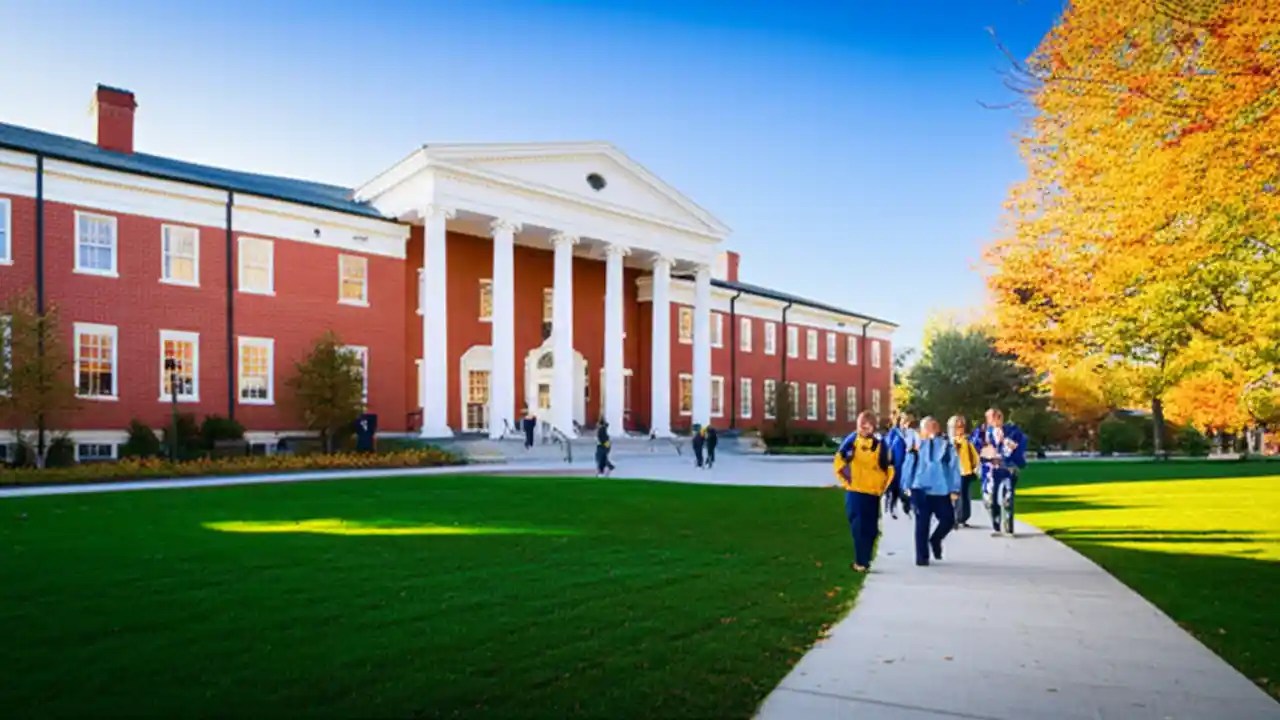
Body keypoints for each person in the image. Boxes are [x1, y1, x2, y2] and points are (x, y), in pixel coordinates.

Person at [832, 411, 895, 573]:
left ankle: (865, 559)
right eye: (861, 425)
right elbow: (839, 462)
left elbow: (889, 469)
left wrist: (882, 488)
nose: (863, 429)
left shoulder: (880, 445)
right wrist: (848, 482)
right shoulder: (851, 441)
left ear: (873, 427)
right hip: (856, 492)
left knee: (871, 529)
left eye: (867, 426)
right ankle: (861, 562)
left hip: (873, 494)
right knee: (859, 527)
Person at [901, 416, 961, 566]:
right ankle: (922, 557)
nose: (931, 429)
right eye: (928, 426)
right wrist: (905, 487)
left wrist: (955, 488)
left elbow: (954, 467)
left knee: (948, 520)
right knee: (922, 523)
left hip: (940, 490)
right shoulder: (916, 446)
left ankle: (935, 539)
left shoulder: (946, 446)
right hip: (920, 489)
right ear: (922, 430)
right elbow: (908, 466)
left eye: (934, 426)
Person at [972, 408, 1028, 537]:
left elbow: (1020, 444)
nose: (996, 420)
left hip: (1008, 468)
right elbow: (975, 446)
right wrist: (985, 450)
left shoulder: (1012, 431)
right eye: (992, 417)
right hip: (990, 470)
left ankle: (1008, 528)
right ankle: (996, 525)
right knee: (989, 498)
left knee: (1008, 497)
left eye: (998, 417)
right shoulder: (982, 432)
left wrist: (1007, 442)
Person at [947, 415, 981, 528]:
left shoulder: (966, 441)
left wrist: (975, 467)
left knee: (965, 496)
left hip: (965, 472)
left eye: (961, 426)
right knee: (955, 495)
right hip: (954, 472)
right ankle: (954, 517)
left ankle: (963, 517)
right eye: (957, 427)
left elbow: (974, 455)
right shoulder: (949, 442)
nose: (960, 429)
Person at [883, 413, 919, 519]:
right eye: (904, 421)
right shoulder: (894, 433)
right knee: (894, 486)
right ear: (900, 422)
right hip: (896, 463)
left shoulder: (911, 432)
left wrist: (913, 449)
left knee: (906, 486)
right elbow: (887, 446)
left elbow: (917, 444)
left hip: (907, 462)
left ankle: (907, 506)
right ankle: (892, 507)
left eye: (908, 422)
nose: (906, 424)